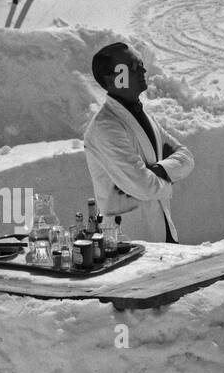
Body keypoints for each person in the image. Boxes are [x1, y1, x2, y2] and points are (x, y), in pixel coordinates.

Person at [83, 42, 194, 243]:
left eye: (141, 63)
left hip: (162, 228)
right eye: (133, 66)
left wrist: (158, 170)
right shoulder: (106, 128)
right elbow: (143, 186)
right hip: (129, 239)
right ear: (111, 78)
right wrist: (168, 177)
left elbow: (186, 157)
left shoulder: (143, 116)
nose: (143, 70)